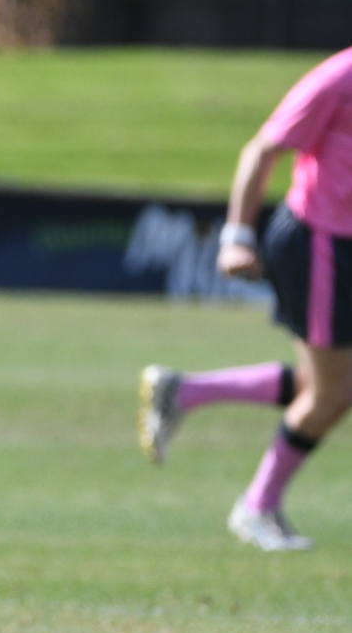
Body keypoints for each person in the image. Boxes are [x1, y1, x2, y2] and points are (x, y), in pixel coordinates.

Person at [139, 46, 352, 551]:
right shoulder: (340, 78)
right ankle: (257, 507)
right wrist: (236, 235)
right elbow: (262, 150)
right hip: (322, 244)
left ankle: (185, 391)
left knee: (326, 383)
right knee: (331, 393)